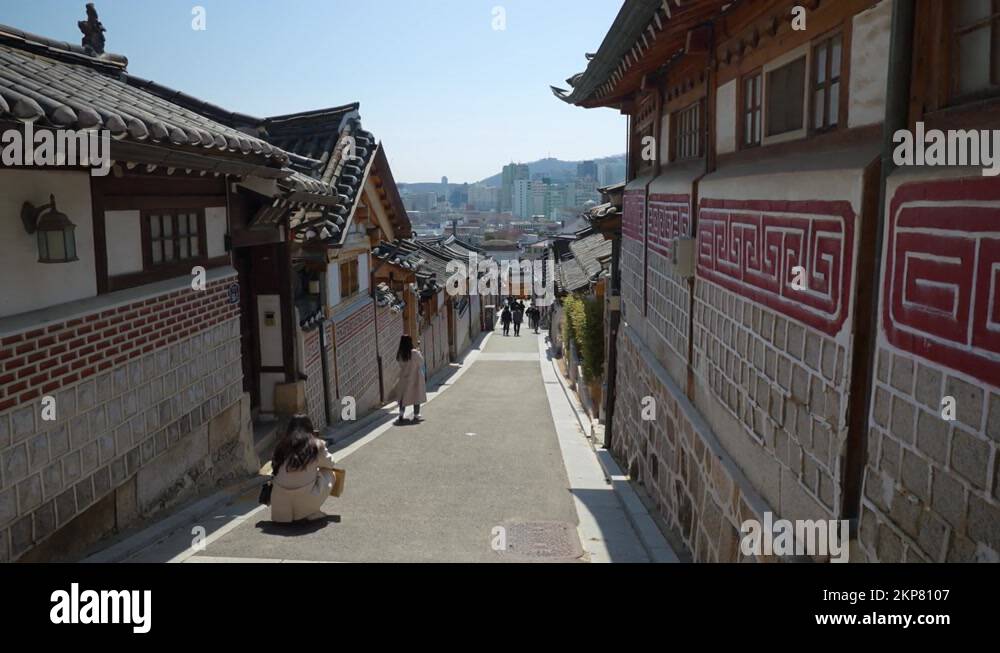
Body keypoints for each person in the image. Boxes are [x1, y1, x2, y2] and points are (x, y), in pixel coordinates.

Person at [270, 415, 338, 523]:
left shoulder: (280, 446)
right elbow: (331, 463)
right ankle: (311, 512)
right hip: (306, 502)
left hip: (280, 507)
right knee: (329, 472)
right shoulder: (316, 445)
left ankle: (296, 512)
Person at [395, 335, 427, 424]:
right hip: (415, 377)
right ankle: (416, 414)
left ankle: (401, 414)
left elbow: (400, 365)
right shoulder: (415, 353)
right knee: (416, 395)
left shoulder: (400, 353)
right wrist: (419, 352)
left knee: (403, 396)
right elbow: (421, 362)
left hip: (404, 377)